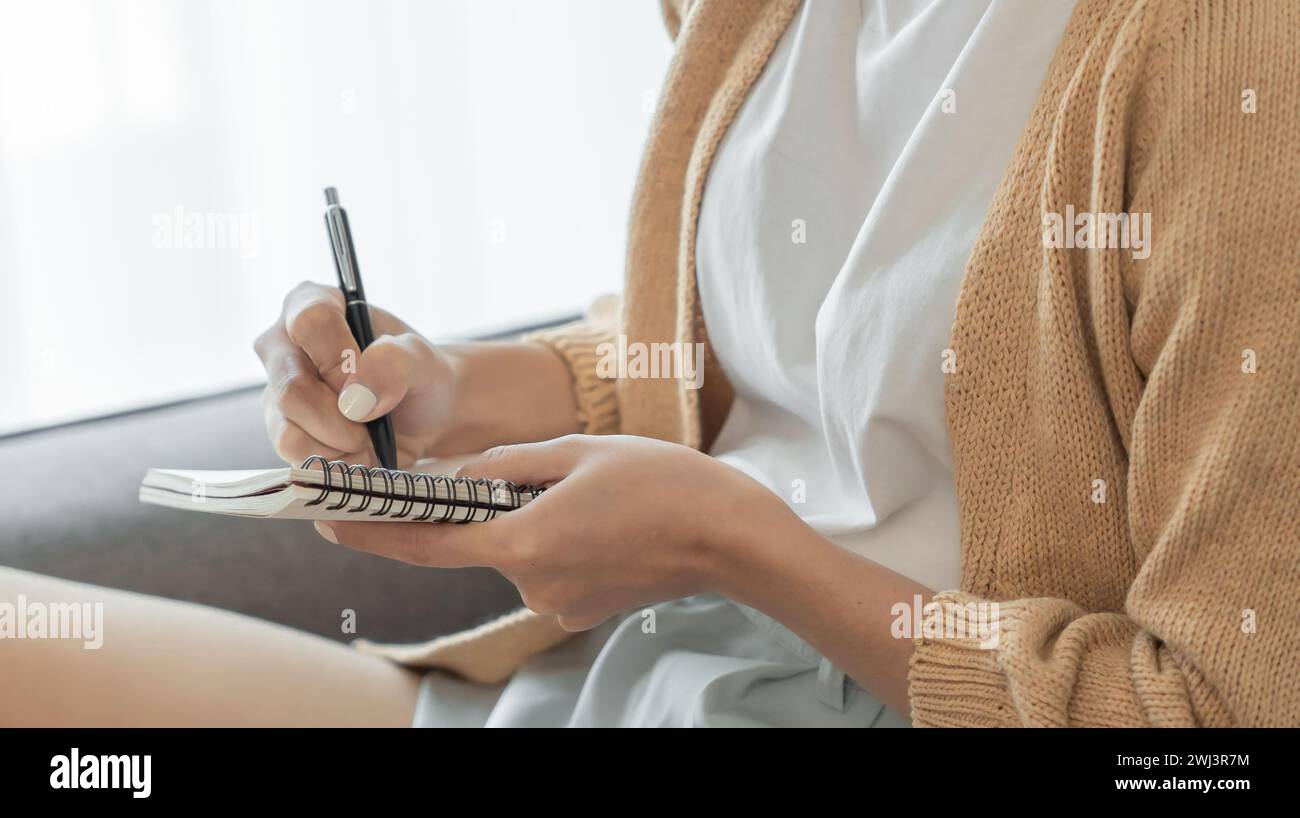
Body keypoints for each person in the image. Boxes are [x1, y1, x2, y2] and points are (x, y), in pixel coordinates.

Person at [3, 0, 1297, 727]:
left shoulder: (1240, 63)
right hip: (629, 677)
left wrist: (743, 551)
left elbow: (1217, 738)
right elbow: (753, 354)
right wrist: (452, 386)